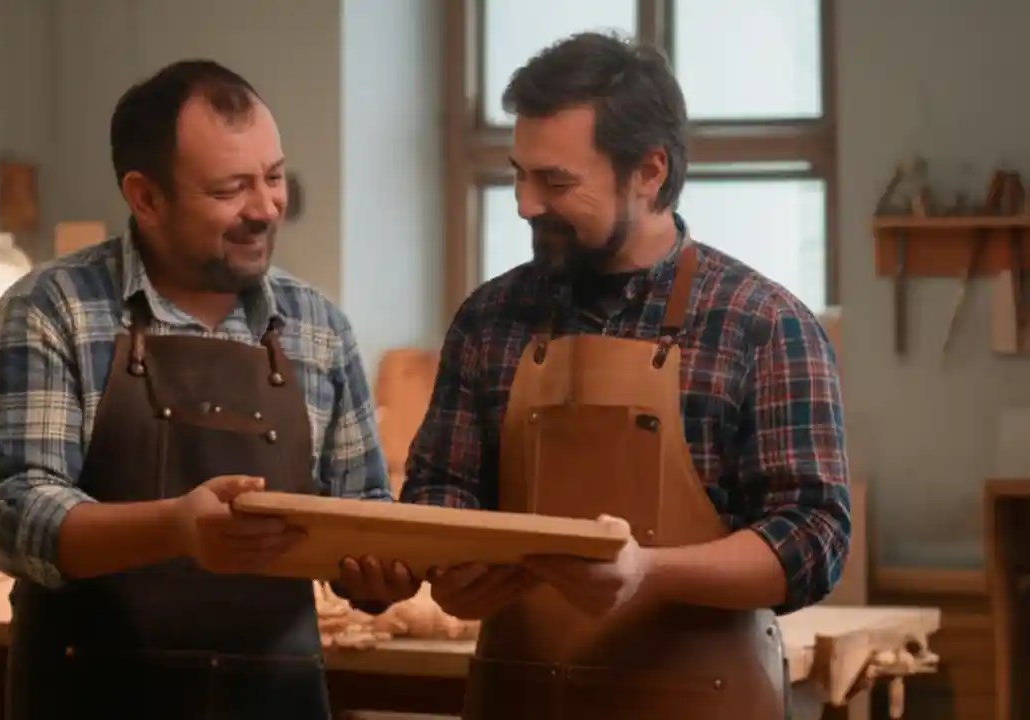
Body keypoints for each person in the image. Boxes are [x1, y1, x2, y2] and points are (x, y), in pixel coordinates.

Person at [353, 32, 852, 718]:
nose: (526, 203)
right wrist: (449, 569)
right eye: (518, 174)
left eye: (555, 182)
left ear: (649, 172)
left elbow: (812, 538)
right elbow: (444, 494)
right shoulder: (489, 319)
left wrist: (647, 571)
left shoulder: (762, 325)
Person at [0, 59, 398, 720]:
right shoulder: (52, 308)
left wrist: (379, 570)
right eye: (231, 188)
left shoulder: (318, 327)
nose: (265, 208)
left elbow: (363, 507)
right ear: (145, 197)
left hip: (274, 700)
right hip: (90, 696)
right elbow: (15, 515)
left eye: (275, 177)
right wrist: (175, 528)